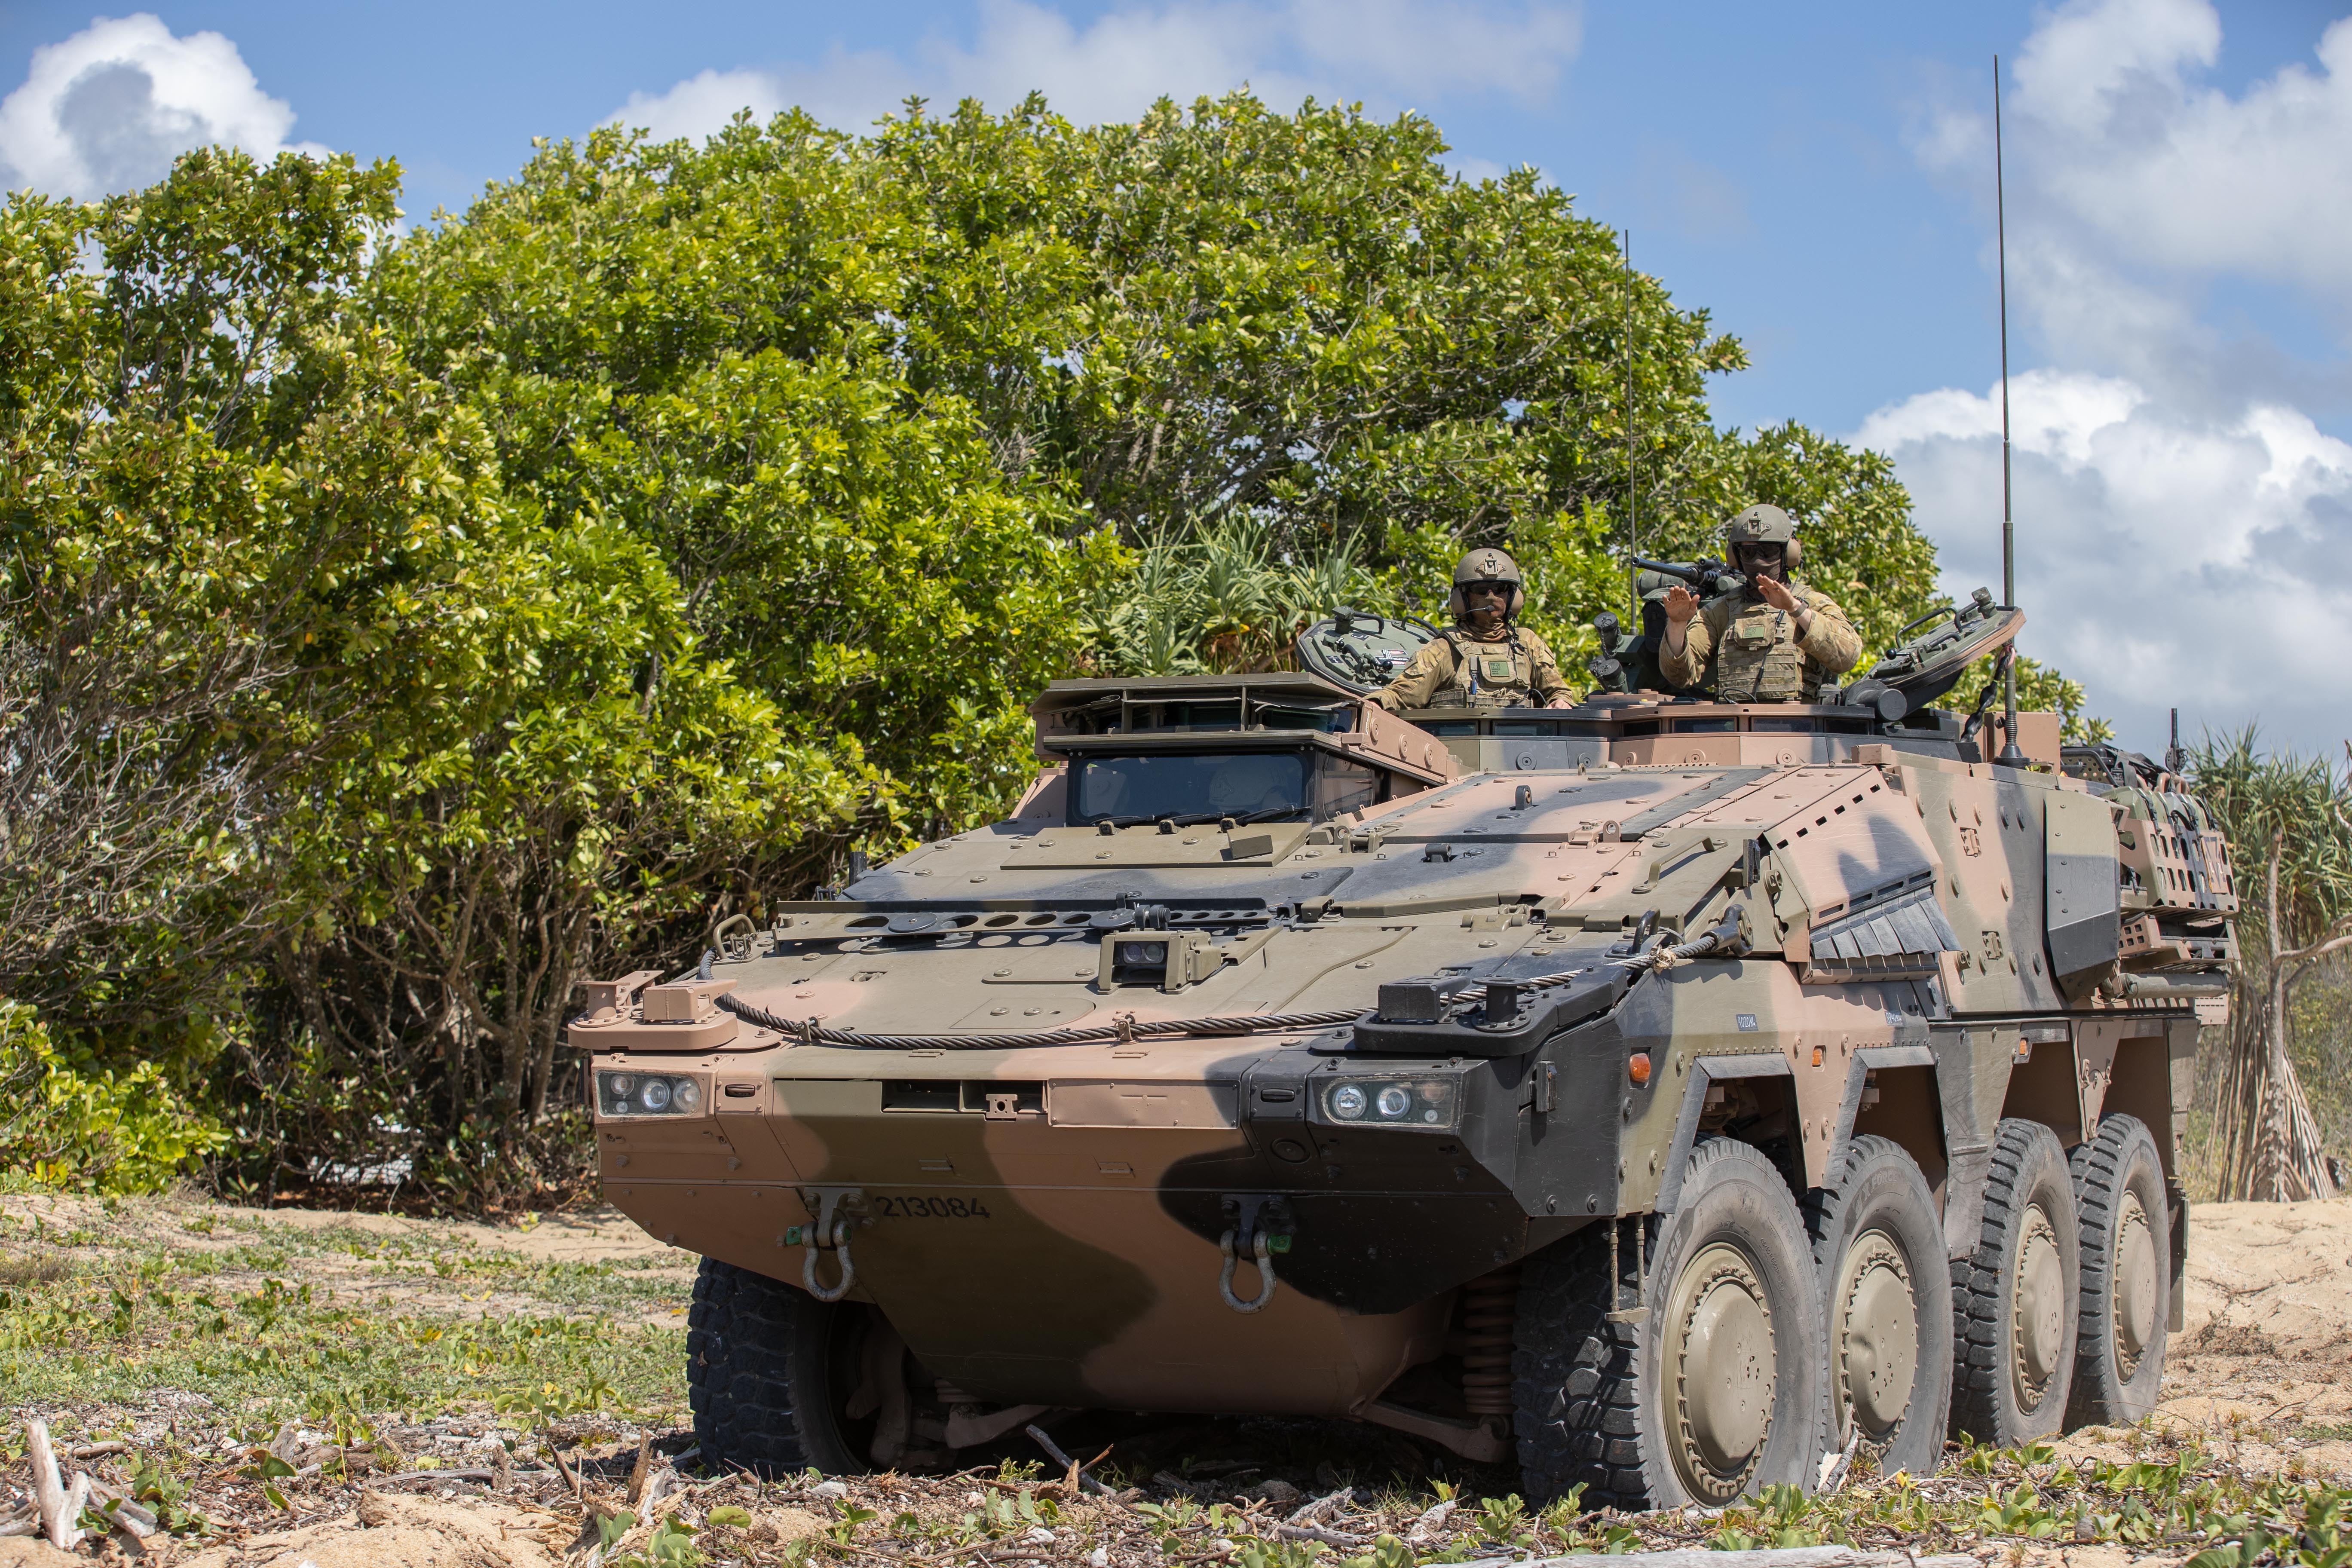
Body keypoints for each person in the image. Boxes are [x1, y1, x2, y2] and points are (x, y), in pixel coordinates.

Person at [1659, 504, 1861, 702]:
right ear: (1736, 556)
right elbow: (1679, 675)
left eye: (1768, 551)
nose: (1757, 560)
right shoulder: (1721, 611)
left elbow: (1848, 656)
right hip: (1736, 726)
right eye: (1748, 552)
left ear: (1787, 554)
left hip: (1800, 727)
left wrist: (1795, 609)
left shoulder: (1813, 603)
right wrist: (1677, 624)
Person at [1372, 548, 1578, 712]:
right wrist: (1373, 704)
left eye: (1500, 589)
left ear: (1514, 597)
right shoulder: (1444, 649)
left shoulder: (1527, 644)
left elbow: (1558, 692)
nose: (1491, 597)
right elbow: (1400, 695)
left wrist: (1561, 700)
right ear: (1461, 599)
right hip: (1456, 757)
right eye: (1480, 590)